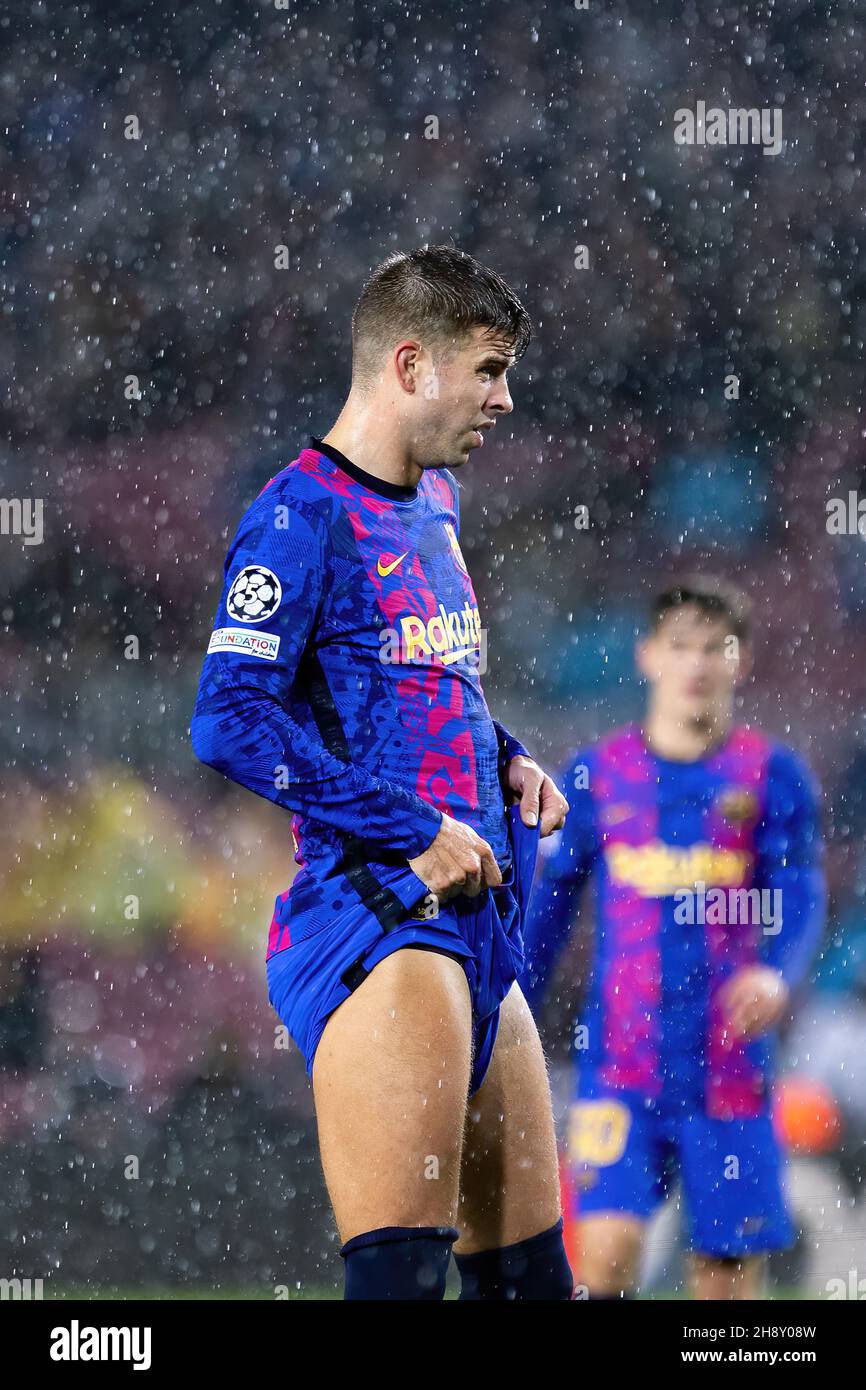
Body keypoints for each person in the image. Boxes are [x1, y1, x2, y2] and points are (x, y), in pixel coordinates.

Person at [191, 245, 572, 1300]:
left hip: (476, 918)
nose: (504, 398)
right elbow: (226, 718)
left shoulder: (435, 499)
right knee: (402, 1282)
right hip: (380, 916)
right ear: (410, 366)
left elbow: (416, 678)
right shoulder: (295, 516)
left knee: (535, 1286)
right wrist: (408, 824)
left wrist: (506, 758)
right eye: (488, 370)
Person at [520, 575, 826, 1299]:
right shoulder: (599, 776)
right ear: (649, 656)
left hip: (730, 1074)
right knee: (603, 1257)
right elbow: (550, 908)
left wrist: (778, 973)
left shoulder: (772, 775)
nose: (696, 665)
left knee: (723, 1284)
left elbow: (801, 894)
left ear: (740, 662)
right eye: (680, 646)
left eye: (714, 648)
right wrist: (512, 1011)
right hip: (621, 1066)